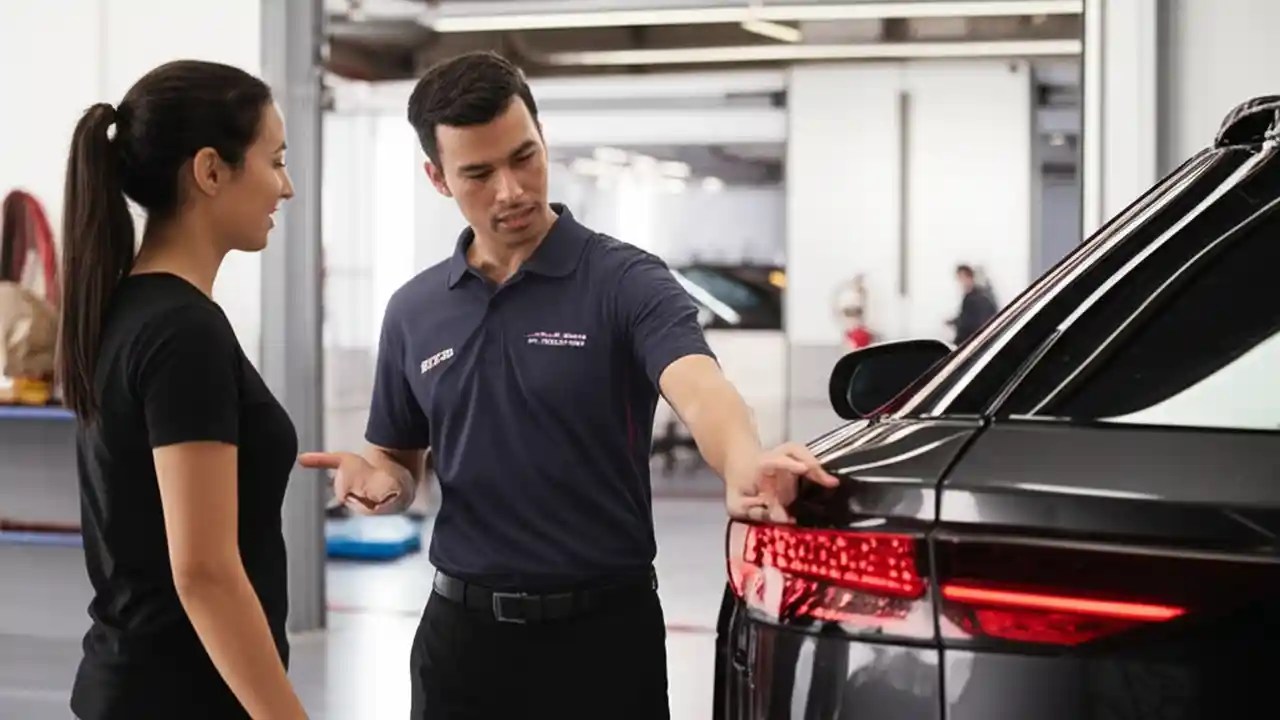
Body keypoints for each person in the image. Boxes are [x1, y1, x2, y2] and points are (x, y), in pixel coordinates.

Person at [298, 50, 838, 719]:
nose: (511, 189)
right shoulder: (414, 311)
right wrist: (381, 478)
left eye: (524, 156)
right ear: (437, 179)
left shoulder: (625, 281)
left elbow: (701, 389)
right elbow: (400, 462)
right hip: (461, 644)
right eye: (479, 172)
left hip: (603, 644)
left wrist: (742, 460)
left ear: (543, 137)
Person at [57, 60, 307, 719]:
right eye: (274, 161)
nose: (285, 187)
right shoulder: (181, 332)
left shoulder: (129, 311)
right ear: (210, 170)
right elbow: (204, 572)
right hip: (176, 697)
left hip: (138, 686)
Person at [947, 263, 998, 345]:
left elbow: (973, 324)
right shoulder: (970, 297)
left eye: (962, 278)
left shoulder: (977, 299)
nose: (961, 282)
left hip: (975, 343)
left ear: (970, 277)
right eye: (959, 279)